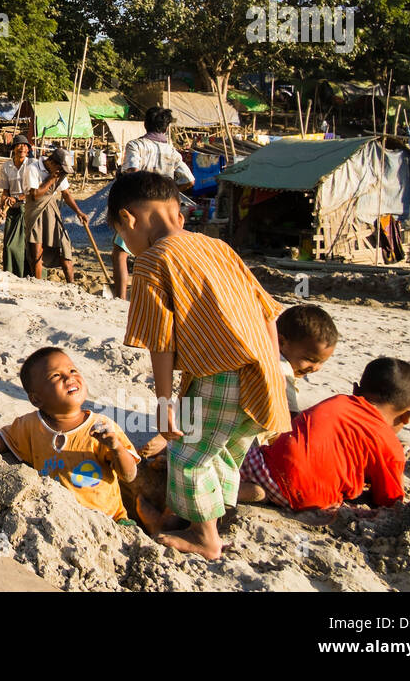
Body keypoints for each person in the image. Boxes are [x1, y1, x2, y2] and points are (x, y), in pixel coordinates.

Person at [111, 170, 288, 560]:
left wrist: (163, 403)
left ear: (129, 220)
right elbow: (268, 314)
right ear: (178, 212)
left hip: (220, 371)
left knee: (187, 455)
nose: (128, 245)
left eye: (124, 237)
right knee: (221, 451)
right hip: (261, 367)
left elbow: (160, 342)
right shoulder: (218, 247)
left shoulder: (152, 261)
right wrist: (275, 372)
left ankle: (205, 538)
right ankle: (212, 519)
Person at [138, 302, 339, 458]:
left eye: (321, 363)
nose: (315, 368)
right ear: (281, 342)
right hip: (240, 439)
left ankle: (171, 443)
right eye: (309, 360)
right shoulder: (282, 370)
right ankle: (169, 447)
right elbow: (288, 423)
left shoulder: (256, 351)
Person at [0, 346, 139, 522]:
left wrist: (116, 448)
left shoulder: (101, 427)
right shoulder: (30, 425)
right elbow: (6, 438)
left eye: (72, 370)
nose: (69, 377)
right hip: (57, 516)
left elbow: (129, 475)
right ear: (36, 399)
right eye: (56, 376)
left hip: (109, 519)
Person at [239, 358, 410, 511]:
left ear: (356, 390)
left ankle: (239, 489)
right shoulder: (390, 445)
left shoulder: (338, 402)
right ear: (409, 415)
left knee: (242, 459)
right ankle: (262, 495)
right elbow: (390, 500)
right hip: (313, 500)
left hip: (266, 468)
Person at [112, 106, 196, 299]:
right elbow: (189, 180)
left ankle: (121, 297)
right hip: (166, 208)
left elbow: (132, 170)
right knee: (159, 249)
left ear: (145, 124)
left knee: (120, 252)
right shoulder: (172, 152)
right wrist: (170, 193)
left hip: (140, 204)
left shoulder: (137, 146)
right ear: (166, 128)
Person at [24, 147, 87, 282]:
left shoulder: (60, 173)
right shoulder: (33, 169)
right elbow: (34, 195)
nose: (62, 173)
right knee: (37, 251)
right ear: (52, 163)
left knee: (64, 247)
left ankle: (71, 285)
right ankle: (38, 283)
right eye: (61, 170)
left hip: (52, 211)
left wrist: (79, 212)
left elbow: (66, 193)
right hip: (36, 212)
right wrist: (51, 178)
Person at [0, 135, 39, 276]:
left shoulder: (33, 164)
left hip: (29, 208)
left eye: (24, 146)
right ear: (13, 149)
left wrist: (18, 198)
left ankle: (30, 274)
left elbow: (36, 190)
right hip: (12, 209)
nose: (21, 148)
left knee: (28, 246)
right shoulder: (6, 166)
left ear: (28, 150)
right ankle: (12, 274)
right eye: (18, 145)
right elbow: (5, 191)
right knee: (9, 245)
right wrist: (1, 207)